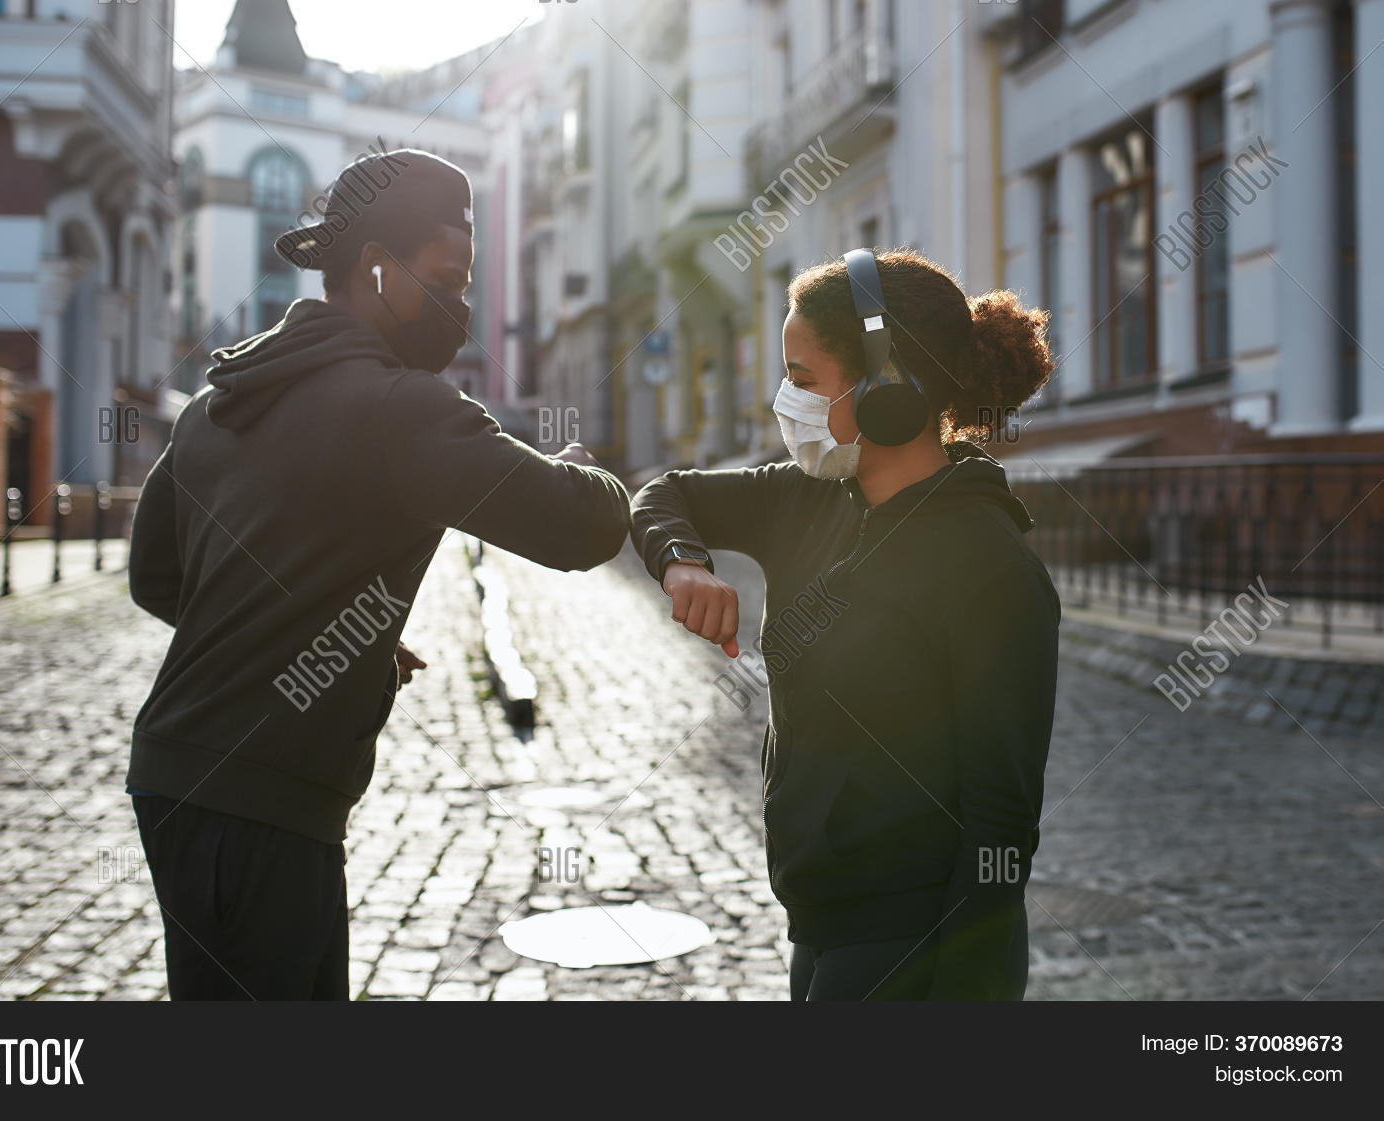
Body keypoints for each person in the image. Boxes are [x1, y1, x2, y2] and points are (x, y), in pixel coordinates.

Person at [125, 149, 630, 1000]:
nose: (461, 304)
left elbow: (155, 578)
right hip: (262, 801)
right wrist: (583, 468)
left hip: (181, 776)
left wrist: (324, 628)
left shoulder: (219, 401)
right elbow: (585, 525)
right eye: (449, 276)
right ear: (376, 269)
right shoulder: (401, 409)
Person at [630, 248, 1060, 1001]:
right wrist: (681, 563)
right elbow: (664, 494)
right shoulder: (807, 496)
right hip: (816, 924)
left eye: (801, 379)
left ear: (888, 388)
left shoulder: (991, 568)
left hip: (910, 948)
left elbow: (1000, 823)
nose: (783, 399)